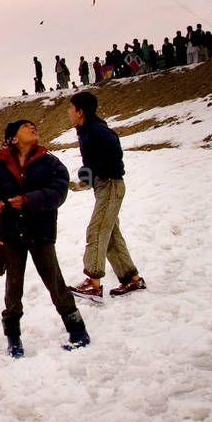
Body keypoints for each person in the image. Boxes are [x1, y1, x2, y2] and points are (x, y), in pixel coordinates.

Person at [0, 120, 89, 357]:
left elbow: (59, 190)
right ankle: (14, 340)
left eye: (34, 125)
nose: (33, 127)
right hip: (12, 231)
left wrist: (29, 200)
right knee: (13, 287)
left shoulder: (49, 162)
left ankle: (78, 330)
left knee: (55, 281)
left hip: (41, 231)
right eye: (26, 126)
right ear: (14, 138)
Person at [66, 92, 146, 303]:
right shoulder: (86, 129)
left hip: (110, 184)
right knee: (109, 233)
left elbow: (114, 153)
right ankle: (131, 278)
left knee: (97, 230)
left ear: (80, 112)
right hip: (104, 186)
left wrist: (96, 171)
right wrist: (89, 172)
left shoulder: (96, 130)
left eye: (71, 108)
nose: (68, 112)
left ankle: (93, 284)